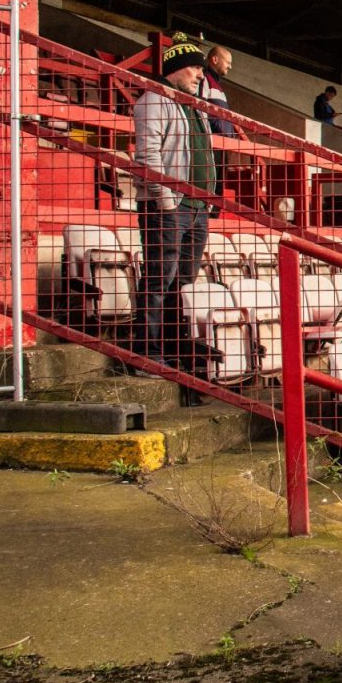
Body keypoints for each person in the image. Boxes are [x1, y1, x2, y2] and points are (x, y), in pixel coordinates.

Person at [134, 38, 217, 407]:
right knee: (158, 277)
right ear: (177, 67)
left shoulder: (194, 107)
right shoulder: (155, 98)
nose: (201, 74)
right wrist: (166, 201)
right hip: (171, 206)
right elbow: (148, 153)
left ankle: (170, 350)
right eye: (197, 67)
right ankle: (146, 354)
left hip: (197, 207)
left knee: (183, 282)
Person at [196, 45, 238, 137]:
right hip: (212, 142)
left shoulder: (216, 84)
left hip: (222, 144)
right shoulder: (204, 78)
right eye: (228, 63)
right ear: (215, 59)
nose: (230, 67)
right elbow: (199, 110)